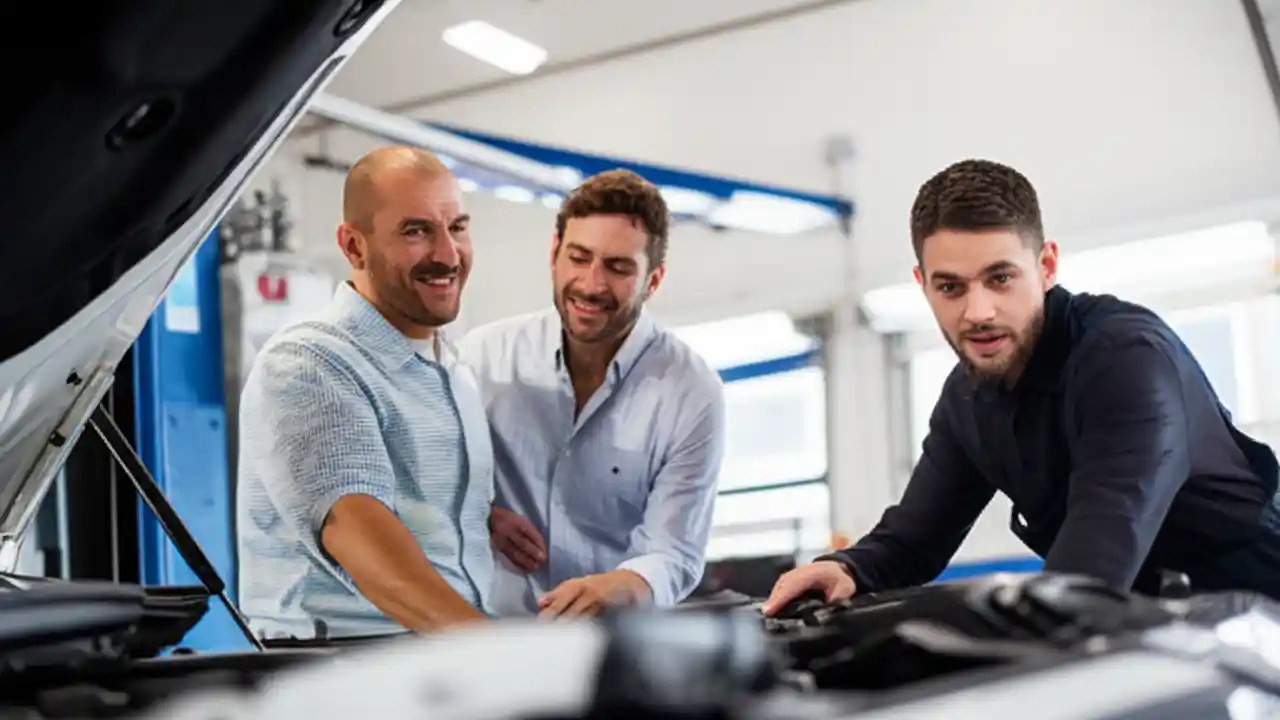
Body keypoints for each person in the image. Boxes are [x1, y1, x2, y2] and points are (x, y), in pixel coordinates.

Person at [764, 159, 1280, 614]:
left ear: (1046, 266)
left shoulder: (1125, 360)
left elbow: (1100, 551)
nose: (978, 312)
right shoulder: (967, 398)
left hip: (1259, 617)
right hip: (1155, 630)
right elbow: (914, 540)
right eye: (951, 287)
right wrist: (848, 569)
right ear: (923, 285)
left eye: (1000, 278)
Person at [236, 146, 495, 640]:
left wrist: (476, 514)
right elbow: (358, 532)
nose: (446, 254)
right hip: (339, 672)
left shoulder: (450, 367)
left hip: (438, 661)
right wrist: (500, 649)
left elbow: (411, 502)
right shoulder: (310, 363)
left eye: (457, 227)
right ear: (355, 247)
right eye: (416, 231)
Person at [457, 169, 726, 619]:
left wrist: (622, 584)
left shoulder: (691, 393)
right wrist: (475, 510)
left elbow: (674, 553)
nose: (592, 284)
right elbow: (421, 480)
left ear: (652, 281)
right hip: (483, 641)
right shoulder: (481, 358)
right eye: (579, 258)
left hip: (611, 654)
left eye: (618, 268)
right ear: (554, 253)